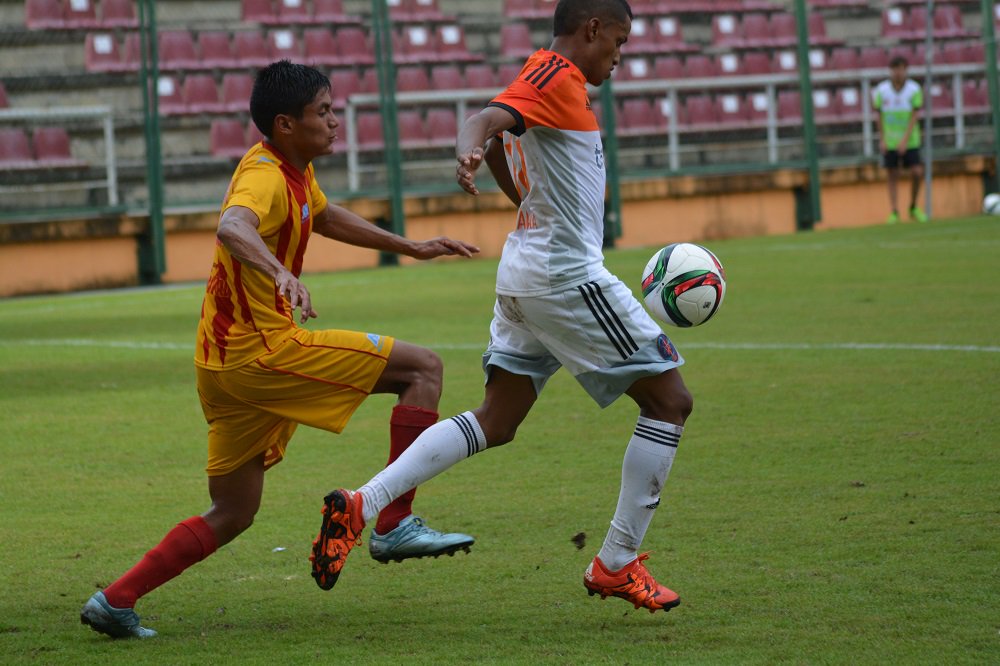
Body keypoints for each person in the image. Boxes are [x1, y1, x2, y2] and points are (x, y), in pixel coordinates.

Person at [311, 0, 692, 614]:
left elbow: (499, 134)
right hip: (564, 276)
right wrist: (468, 150)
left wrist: (515, 189)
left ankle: (363, 503)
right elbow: (484, 120)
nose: (620, 56)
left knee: (499, 417)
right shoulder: (553, 74)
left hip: (528, 271)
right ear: (591, 29)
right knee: (670, 402)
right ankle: (616, 564)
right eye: (618, 41)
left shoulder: (548, 81)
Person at [80, 61, 480, 639]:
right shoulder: (264, 179)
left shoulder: (288, 169)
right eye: (324, 112)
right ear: (287, 123)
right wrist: (277, 272)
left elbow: (322, 214)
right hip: (260, 353)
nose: (336, 122)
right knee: (424, 368)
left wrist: (409, 246)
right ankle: (393, 522)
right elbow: (232, 227)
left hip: (220, 367)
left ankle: (115, 599)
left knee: (234, 511)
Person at [874, 55, 928, 224]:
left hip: (910, 141)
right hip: (890, 140)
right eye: (895, 69)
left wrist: (905, 140)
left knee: (917, 172)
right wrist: (882, 139)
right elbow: (878, 116)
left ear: (906, 70)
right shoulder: (881, 90)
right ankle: (894, 211)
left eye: (901, 68)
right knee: (892, 174)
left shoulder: (914, 89)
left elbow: (914, 116)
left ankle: (913, 206)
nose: (898, 72)